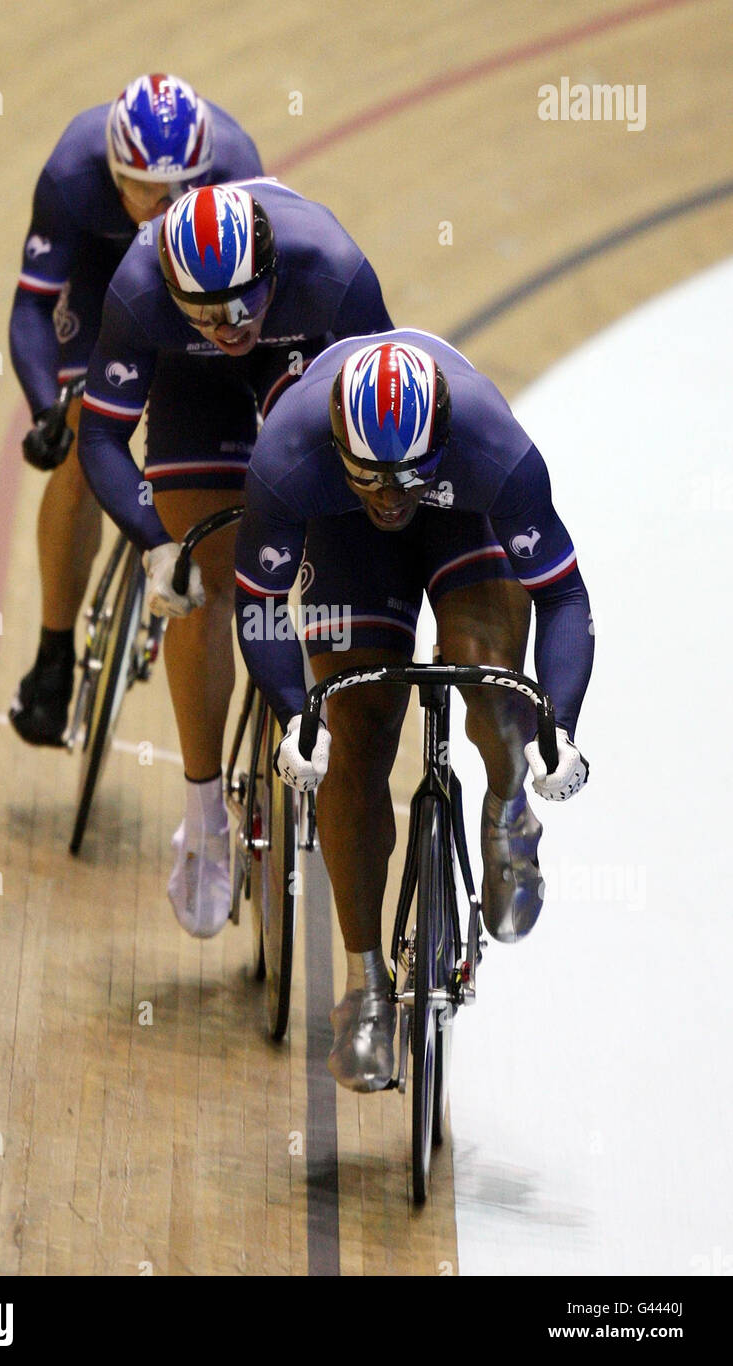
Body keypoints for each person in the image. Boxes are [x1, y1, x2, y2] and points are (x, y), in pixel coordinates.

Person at [233, 332, 593, 1091]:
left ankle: (506, 815)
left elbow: (562, 593)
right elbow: (256, 605)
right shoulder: (289, 455)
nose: (391, 495)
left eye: (406, 478)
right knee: (355, 734)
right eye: (374, 476)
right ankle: (365, 988)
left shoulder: (493, 444)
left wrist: (557, 726)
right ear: (337, 441)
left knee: (491, 678)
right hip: (342, 534)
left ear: (442, 436)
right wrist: (298, 714)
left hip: (460, 511)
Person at [76, 181, 394, 938]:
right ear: (171, 289)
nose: (232, 325)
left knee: (336, 518)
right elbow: (99, 437)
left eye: (244, 304)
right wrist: (158, 546)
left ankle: (308, 718)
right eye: (210, 313)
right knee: (202, 582)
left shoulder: (333, 271)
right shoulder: (139, 289)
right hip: (192, 387)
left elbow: (380, 414)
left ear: (272, 271)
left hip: (303, 359)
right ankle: (204, 815)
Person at [7, 74, 262, 746]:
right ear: (113, 169)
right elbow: (33, 303)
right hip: (100, 280)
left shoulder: (236, 170)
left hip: (191, 282)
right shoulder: (71, 173)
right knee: (80, 439)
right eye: (145, 189)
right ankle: (54, 654)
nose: (164, 202)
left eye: (180, 186)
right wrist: (43, 410)